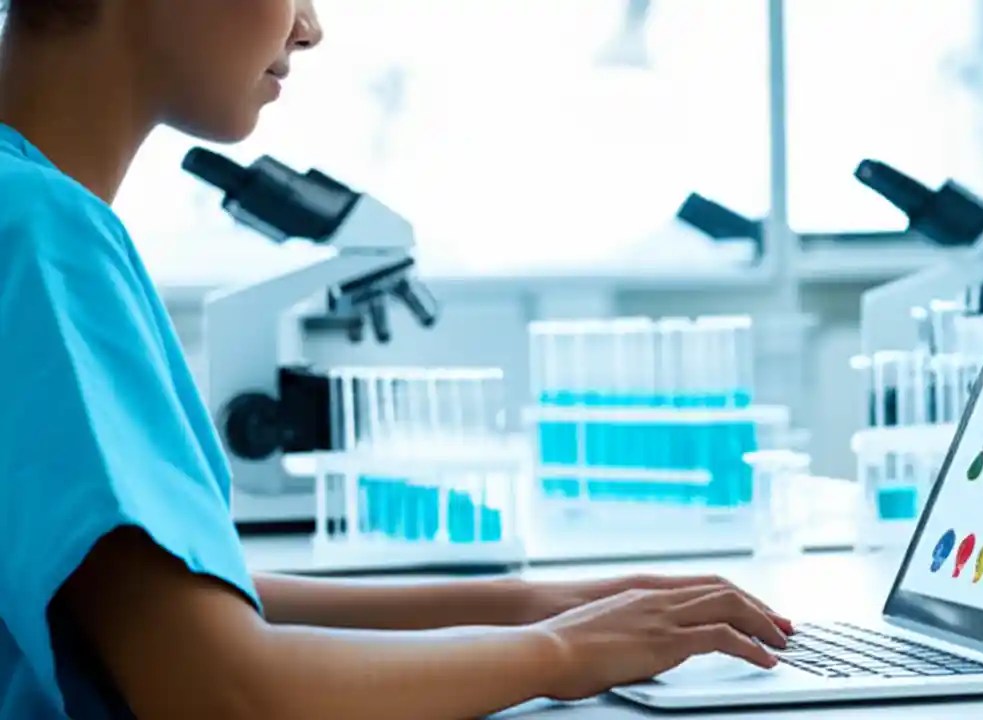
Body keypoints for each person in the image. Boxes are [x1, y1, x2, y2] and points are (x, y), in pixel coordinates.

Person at [0, 1, 794, 718]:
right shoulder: (41, 231)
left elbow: (172, 607)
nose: (309, 27)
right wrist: (563, 653)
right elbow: (218, 689)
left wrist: (527, 606)